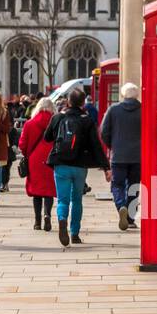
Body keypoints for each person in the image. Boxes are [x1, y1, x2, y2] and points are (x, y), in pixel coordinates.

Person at [44, 86, 109, 247]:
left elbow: (47, 137)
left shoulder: (58, 117)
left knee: (62, 200)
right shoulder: (86, 120)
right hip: (80, 166)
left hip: (61, 164)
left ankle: (61, 219)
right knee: (77, 200)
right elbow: (95, 144)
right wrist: (106, 167)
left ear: (68, 101)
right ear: (83, 103)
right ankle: (75, 234)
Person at [100, 81, 142, 230]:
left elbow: (103, 131)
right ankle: (130, 218)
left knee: (117, 185)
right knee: (134, 186)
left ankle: (120, 206)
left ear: (123, 94)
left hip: (118, 156)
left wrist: (113, 146)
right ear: (137, 95)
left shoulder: (113, 109)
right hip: (138, 156)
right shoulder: (143, 110)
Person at [18, 96, 57, 231]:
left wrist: (27, 154)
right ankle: (47, 214)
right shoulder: (55, 123)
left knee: (36, 192)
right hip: (51, 159)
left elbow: (22, 144)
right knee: (48, 190)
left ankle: (37, 221)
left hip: (34, 160)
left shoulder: (29, 123)